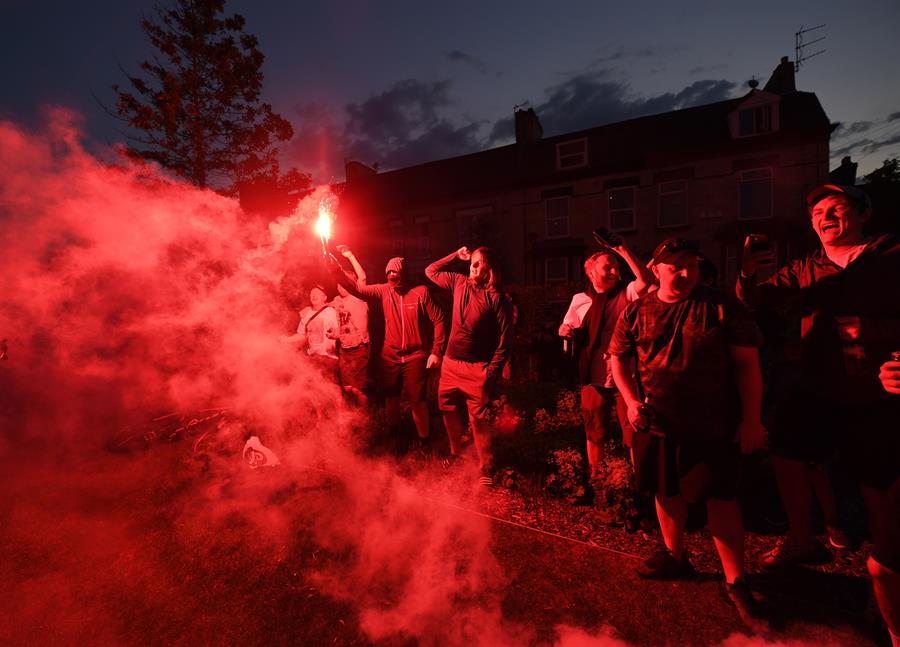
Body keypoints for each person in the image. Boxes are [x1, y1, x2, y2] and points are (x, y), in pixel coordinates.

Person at [737, 184, 900, 645]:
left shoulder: (891, 256)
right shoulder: (809, 266)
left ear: (863, 213)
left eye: (837, 208)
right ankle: (803, 539)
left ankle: (885, 575)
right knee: (786, 450)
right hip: (818, 384)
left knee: (879, 490)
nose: (825, 217)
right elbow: (759, 300)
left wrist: (871, 328)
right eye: (817, 213)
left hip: (877, 390)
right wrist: (748, 274)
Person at [609, 237, 768, 630]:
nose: (684, 273)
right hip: (657, 422)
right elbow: (617, 357)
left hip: (714, 423)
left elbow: (748, 366)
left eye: (691, 265)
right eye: (675, 265)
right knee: (666, 490)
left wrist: (751, 420)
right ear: (656, 268)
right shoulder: (637, 310)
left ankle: (735, 580)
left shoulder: (720, 306)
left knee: (721, 498)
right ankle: (674, 556)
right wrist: (630, 401)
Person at [558, 232, 653, 479]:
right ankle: (596, 479)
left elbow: (646, 278)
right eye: (607, 267)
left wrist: (622, 250)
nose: (614, 272)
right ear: (591, 273)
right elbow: (567, 325)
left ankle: (637, 482)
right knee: (594, 430)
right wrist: (564, 330)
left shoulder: (627, 294)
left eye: (616, 267)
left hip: (626, 374)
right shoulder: (580, 299)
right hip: (594, 373)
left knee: (634, 431)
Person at [338, 247, 445, 452]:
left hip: (415, 354)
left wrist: (436, 351)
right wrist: (341, 261)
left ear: (403, 274)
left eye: (395, 275)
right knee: (391, 396)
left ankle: (425, 442)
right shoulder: (384, 290)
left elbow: (439, 320)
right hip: (390, 355)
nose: (392, 279)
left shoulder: (420, 292)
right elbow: (358, 288)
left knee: (417, 399)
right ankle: (395, 437)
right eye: (389, 275)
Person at [426, 246, 514, 487]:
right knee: (448, 410)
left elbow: (506, 340)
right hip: (451, 365)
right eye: (472, 262)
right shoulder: (458, 282)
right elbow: (430, 271)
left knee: (478, 420)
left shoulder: (497, 298)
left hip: (477, 369)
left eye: (478, 263)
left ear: (489, 268)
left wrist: (490, 372)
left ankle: (486, 465)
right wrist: (455, 256)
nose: (473, 267)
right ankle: (456, 453)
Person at [330, 281, 371, 406]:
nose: (341, 287)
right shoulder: (336, 300)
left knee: (358, 388)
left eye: (344, 283)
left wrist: (352, 259)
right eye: (339, 283)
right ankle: (354, 415)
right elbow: (323, 306)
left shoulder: (359, 298)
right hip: (344, 348)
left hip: (359, 346)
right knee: (347, 387)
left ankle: (366, 416)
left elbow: (362, 278)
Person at [293, 285, 339, 379]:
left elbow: (339, 331)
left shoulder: (331, 312)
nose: (314, 296)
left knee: (330, 390)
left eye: (317, 294)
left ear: (325, 297)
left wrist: (335, 335)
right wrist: (286, 339)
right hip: (312, 358)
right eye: (312, 294)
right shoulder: (306, 315)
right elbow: (301, 335)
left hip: (329, 358)